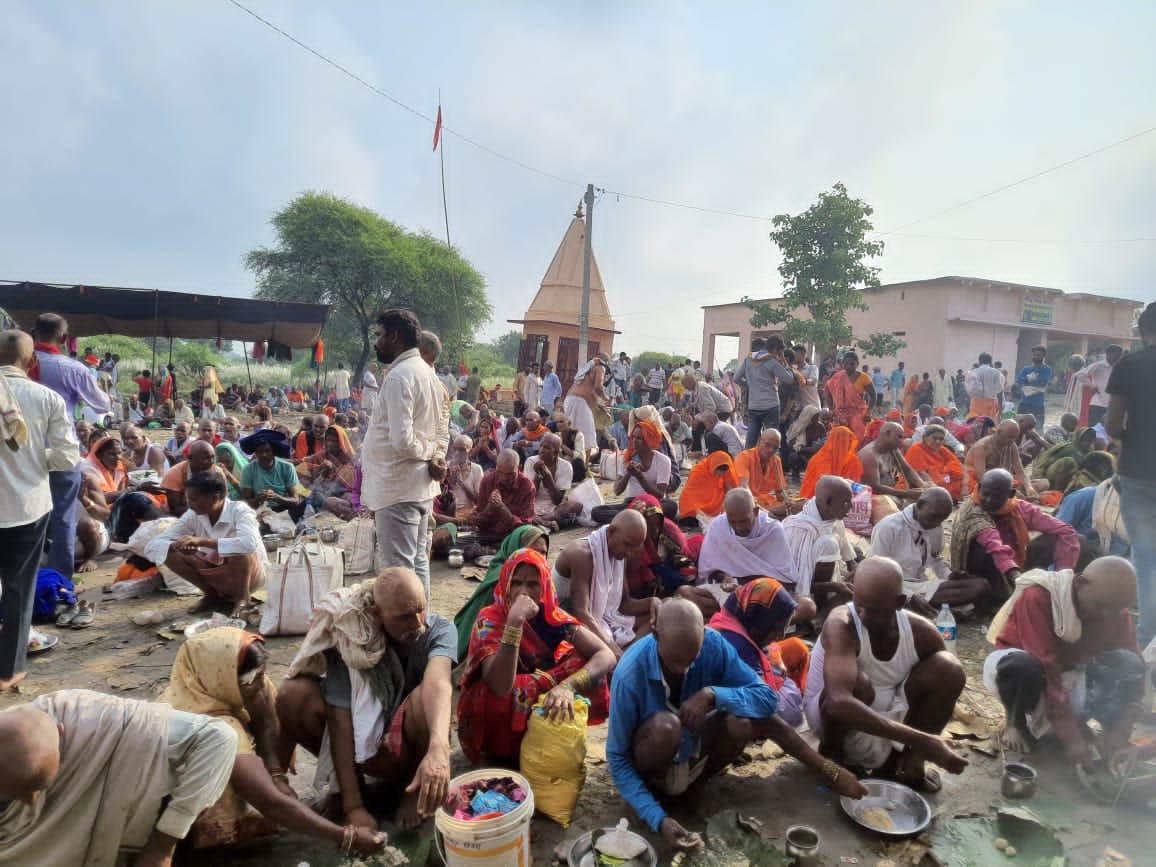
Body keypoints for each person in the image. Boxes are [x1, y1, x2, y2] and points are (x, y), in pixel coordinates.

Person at [607, 599, 864, 849]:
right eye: (675, 662)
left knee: (740, 720)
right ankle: (652, 799)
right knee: (667, 727)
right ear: (655, 634)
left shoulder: (713, 645)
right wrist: (657, 819)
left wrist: (713, 695)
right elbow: (617, 758)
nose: (684, 668)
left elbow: (766, 700)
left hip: (691, 745)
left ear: (703, 635)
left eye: (692, 659)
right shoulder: (630, 673)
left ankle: (693, 789)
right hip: (652, 754)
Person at [158, 628, 386, 854]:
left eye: (261, 675)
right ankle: (219, 835)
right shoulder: (218, 729)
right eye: (252, 681)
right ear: (220, 675)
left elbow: (267, 721)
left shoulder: (219, 683)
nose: (259, 685)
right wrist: (347, 837)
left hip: (227, 766)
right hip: (177, 818)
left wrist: (276, 775)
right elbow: (270, 804)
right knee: (269, 801)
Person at [276, 567, 455, 830]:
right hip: (366, 749)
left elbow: (438, 683)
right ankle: (351, 787)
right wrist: (354, 807)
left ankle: (411, 788)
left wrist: (439, 748)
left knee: (424, 699)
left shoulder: (440, 630)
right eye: (404, 616)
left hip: (409, 745)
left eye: (421, 609)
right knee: (292, 695)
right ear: (377, 614)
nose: (417, 623)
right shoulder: (353, 639)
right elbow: (340, 720)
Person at [0, 689, 237, 865]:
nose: (32, 802)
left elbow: (218, 738)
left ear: (63, 734)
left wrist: (162, 845)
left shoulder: (98, 722)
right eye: (14, 793)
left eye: (39, 787)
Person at [804, 556, 968, 791]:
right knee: (859, 684)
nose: (861, 615)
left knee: (948, 669)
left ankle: (905, 763)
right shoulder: (841, 624)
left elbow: (943, 694)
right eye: (857, 604)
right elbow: (837, 702)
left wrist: (919, 748)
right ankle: (833, 757)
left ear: (899, 602)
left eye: (873, 610)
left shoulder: (922, 633)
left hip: (892, 717)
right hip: (835, 716)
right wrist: (924, 740)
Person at [457, 547, 616, 764]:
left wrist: (567, 687)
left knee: (583, 663)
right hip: (504, 699)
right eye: (516, 583)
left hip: (542, 696)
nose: (523, 592)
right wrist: (514, 623)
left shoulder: (552, 616)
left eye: (532, 584)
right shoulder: (490, 618)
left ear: (544, 589)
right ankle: (506, 753)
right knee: (492, 694)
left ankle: (549, 738)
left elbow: (605, 655)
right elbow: (500, 685)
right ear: (505, 584)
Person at [984, 556, 1142, 761]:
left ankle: (1099, 731)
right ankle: (1015, 723)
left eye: (1114, 608)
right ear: (1081, 583)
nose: (1106, 615)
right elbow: (1047, 665)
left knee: (1128, 664)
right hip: (1029, 676)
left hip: (1074, 675)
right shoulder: (1039, 596)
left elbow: (1134, 667)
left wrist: (1121, 729)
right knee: (1022, 666)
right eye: (1100, 605)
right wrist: (1071, 737)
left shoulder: (1114, 610)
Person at [0, 330, 79, 690]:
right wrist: (33, 459)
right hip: (27, 508)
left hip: (23, 507)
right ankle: (8, 671)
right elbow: (66, 457)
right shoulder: (47, 398)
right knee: (19, 587)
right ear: (32, 362)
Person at [361, 310, 449, 596]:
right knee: (417, 563)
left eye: (379, 335)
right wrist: (437, 455)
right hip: (417, 487)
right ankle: (419, 627)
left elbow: (402, 442)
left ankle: (410, 634)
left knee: (400, 569)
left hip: (398, 488)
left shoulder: (400, 376)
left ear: (394, 337)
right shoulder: (430, 375)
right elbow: (441, 431)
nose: (376, 342)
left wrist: (429, 455)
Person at [32, 314, 109, 585]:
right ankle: (58, 584)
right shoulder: (73, 368)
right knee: (64, 517)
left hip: (21, 454)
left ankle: (24, 580)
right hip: (61, 452)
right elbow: (102, 405)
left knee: (22, 514)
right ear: (65, 339)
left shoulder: (15, 366)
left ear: (33, 332)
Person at [949, 469, 1081, 604]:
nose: (988, 500)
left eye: (996, 497)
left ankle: (1055, 585)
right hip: (984, 570)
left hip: (1015, 563)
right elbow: (995, 546)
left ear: (1010, 494)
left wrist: (1063, 575)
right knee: (986, 551)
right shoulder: (973, 511)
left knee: (1064, 537)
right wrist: (1018, 578)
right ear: (979, 487)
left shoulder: (1018, 507)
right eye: (986, 494)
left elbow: (1065, 530)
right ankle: (1006, 591)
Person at [145, 471, 266, 616]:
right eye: (188, 499)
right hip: (215, 575)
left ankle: (243, 598)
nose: (189, 505)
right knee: (168, 551)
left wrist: (202, 541)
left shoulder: (240, 510)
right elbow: (152, 546)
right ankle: (211, 594)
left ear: (214, 498)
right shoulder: (193, 514)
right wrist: (177, 545)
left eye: (194, 499)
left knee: (236, 542)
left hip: (251, 577)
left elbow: (249, 544)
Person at [1107, 302, 1156, 646]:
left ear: (1141, 330)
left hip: (1138, 471)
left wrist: (1129, 438)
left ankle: (1146, 636)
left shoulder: (1129, 364)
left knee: (1145, 556)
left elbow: (1112, 423)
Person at [869, 487, 992, 616]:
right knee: (893, 596)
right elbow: (877, 574)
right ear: (920, 505)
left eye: (941, 520)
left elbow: (935, 560)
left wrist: (949, 576)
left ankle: (922, 607)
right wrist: (909, 595)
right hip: (895, 588)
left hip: (923, 586)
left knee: (981, 585)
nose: (937, 523)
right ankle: (913, 605)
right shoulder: (888, 527)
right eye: (934, 517)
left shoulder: (934, 526)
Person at [707, 578, 813, 727]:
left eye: (785, 628)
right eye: (775, 629)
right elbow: (772, 705)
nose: (781, 635)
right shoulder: (736, 644)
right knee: (786, 710)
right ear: (757, 621)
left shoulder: (740, 618)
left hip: (754, 654)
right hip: (736, 700)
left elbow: (770, 647)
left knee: (797, 648)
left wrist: (774, 658)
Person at [552, 510, 653, 655]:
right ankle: (623, 659)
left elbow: (624, 604)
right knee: (604, 655)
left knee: (658, 619)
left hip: (602, 619)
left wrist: (653, 602)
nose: (630, 554)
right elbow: (581, 613)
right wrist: (612, 649)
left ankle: (625, 659)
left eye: (635, 549)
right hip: (568, 623)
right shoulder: (581, 554)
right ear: (611, 531)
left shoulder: (619, 554)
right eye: (628, 545)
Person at [858, 421, 928, 524]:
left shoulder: (893, 449)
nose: (902, 441)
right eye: (899, 437)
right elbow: (875, 488)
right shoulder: (869, 456)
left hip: (893, 491)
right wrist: (908, 494)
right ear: (887, 433)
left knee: (929, 489)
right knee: (892, 503)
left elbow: (907, 469)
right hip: (874, 497)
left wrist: (923, 486)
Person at [735, 337, 796, 448]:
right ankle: (772, 465)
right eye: (780, 352)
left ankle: (749, 464)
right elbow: (789, 379)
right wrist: (785, 362)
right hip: (770, 405)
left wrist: (748, 385)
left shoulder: (748, 359)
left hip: (754, 405)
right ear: (776, 349)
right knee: (772, 442)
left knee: (751, 441)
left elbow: (736, 378)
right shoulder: (771, 361)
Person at [239, 429, 305, 521]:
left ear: (274, 451)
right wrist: (258, 499)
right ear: (255, 453)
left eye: (267, 451)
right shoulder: (248, 470)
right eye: (259, 452)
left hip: (284, 509)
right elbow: (245, 501)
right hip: (260, 510)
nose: (264, 455)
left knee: (305, 502)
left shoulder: (287, 467)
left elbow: (295, 500)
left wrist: (277, 498)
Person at [964, 419, 1038, 499]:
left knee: (1044, 483)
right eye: (1010, 437)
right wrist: (1008, 490)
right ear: (999, 432)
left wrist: (1029, 488)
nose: (1012, 441)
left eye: (1014, 438)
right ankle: (1010, 494)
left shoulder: (1011, 445)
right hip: (980, 484)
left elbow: (1020, 471)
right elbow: (982, 478)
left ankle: (1016, 493)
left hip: (1001, 482)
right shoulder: (982, 447)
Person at [473, 449, 536, 542]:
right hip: (488, 536)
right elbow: (480, 522)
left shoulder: (527, 485)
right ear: (496, 467)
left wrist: (501, 507)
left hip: (514, 537)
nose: (504, 478)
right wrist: (489, 508)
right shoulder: (488, 480)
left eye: (510, 474)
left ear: (519, 468)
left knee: (532, 537)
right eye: (500, 472)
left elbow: (524, 528)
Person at [298, 425, 358, 520]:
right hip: (320, 493)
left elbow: (353, 483)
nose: (329, 444)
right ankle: (352, 518)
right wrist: (321, 469)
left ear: (341, 442)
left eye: (334, 441)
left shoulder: (348, 459)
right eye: (328, 440)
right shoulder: (319, 457)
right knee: (331, 502)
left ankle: (357, 518)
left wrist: (335, 469)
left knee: (351, 498)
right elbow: (302, 475)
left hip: (341, 492)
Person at [524, 433, 581, 531]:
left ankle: (539, 521)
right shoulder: (531, 461)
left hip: (554, 508)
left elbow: (557, 500)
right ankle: (546, 522)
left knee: (575, 506)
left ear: (556, 453)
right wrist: (538, 475)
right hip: (534, 505)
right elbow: (530, 496)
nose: (541, 450)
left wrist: (548, 477)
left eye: (546, 448)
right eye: (541, 446)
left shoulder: (566, 466)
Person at [613, 418, 672, 503]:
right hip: (633, 502)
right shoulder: (627, 457)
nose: (634, 441)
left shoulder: (663, 461)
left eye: (639, 438)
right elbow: (617, 491)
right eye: (633, 437)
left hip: (654, 504)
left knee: (671, 505)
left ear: (649, 441)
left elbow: (660, 494)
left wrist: (640, 477)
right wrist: (628, 473)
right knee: (597, 511)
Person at [734, 428, 789, 516]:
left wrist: (788, 502)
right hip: (750, 504)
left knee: (801, 503)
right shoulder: (744, 457)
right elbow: (743, 489)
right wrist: (766, 511)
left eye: (775, 448)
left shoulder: (776, 460)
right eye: (767, 445)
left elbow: (779, 492)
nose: (771, 450)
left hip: (769, 503)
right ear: (759, 441)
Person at [159, 440, 222, 515]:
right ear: (190, 458)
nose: (211, 462)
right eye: (206, 458)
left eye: (213, 457)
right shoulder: (174, 474)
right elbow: (175, 510)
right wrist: (205, 508)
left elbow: (222, 501)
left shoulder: (217, 471)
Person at [678, 446, 739, 522]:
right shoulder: (698, 471)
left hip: (714, 508)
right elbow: (691, 496)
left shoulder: (727, 470)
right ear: (713, 466)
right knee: (691, 520)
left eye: (722, 474)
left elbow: (731, 490)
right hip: (693, 509)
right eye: (717, 472)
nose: (719, 475)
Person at [798, 425, 861, 499]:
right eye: (847, 441)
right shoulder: (821, 460)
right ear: (837, 441)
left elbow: (857, 485)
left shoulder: (853, 460)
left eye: (850, 441)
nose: (850, 445)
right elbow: (825, 485)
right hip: (817, 501)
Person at [904, 424, 964, 500]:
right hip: (922, 485)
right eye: (934, 438)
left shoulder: (942, 450)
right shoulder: (916, 449)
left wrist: (964, 484)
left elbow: (957, 465)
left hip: (943, 482)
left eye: (941, 439)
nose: (938, 441)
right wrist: (938, 491)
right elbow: (921, 474)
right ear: (925, 438)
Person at [1030, 426, 1099, 492]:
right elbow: (1046, 461)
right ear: (1079, 439)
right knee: (1068, 462)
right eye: (1085, 440)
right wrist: (1038, 477)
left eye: (1090, 441)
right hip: (1049, 475)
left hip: (1072, 478)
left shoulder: (1090, 452)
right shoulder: (1070, 449)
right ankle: (1056, 490)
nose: (1088, 443)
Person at [826, 352, 874, 439]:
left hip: (858, 415)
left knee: (857, 440)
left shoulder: (864, 378)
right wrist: (831, 409)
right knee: (839, 440)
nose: (849, 366)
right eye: (846, 363)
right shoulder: (837, 377)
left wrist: (869, 412)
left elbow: (873, 395)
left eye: (852, 364)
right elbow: (828, 391)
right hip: (840, 415)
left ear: (857, 364)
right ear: (842, 364)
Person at [1076, 345, 1123, 428]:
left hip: (1112, 405)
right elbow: (1080, 375)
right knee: (1095, 431)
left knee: (1109, 431)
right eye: (1116, 356)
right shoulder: (1099, 365)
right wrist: (1092, 386)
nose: (1117, 358)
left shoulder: (1119, 368)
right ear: (1108, 354)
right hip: (1098, 405)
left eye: (1119, 356)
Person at [1015, 346, 1052, 423]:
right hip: (1024, 403)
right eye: (1034, 355)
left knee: (1038, 427)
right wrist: (1029, 378)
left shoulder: (1047, 369)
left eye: (1038, 355)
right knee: (1020, 426)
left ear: (1043, 356)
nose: (1036, 357)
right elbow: (1018, 380)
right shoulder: (1026, 368)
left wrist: (1027, 381)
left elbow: (1042, 382)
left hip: (1038, 404)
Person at [966, 353, 1003, 421]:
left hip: (976, 403)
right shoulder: (996, 372)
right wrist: (1000, 408)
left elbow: (970, 390)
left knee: (976, 426)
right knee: (989, 427)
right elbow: (999, 392)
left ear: (979, 362)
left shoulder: (973, 372)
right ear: (990, 361)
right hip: (990, 404)